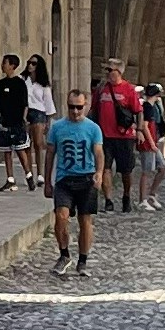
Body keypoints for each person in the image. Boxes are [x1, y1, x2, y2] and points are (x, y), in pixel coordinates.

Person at [46, 89, 106, 277]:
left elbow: (98, 152)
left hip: (86, 178)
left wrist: (99, 172)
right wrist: (47, 180)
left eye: (79, 107)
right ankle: (64, 254)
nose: (75, 111)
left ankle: (83, 260)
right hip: (64, 179)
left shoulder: (93, 128)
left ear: (85, 106)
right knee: (61, 216)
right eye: (72, 107)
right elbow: (50, 153)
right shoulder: (57, 127)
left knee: (85, 220)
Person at [93, 61, 143, 213]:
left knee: (126, 171)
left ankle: (126, 196)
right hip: (104, 136)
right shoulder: (102, 89)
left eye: (110, 70)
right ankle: (108, 200)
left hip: (124, 137)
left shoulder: (128, 89)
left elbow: (138, 111)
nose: (107, 73)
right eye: (106, 70)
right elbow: (94, 109)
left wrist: (139, 130)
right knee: (105, 168)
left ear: (119, 72)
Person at [0, 52, 30, 190]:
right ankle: (10, 178)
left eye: (5, 63)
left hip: (17, 120)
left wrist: (23, 119)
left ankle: (29, 175)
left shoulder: (20, 84)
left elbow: (25, 103)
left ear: (12, 66)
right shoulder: (1, 84)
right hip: (5, 120)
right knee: (6, 150)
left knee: (20, 149)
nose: (3, 65)